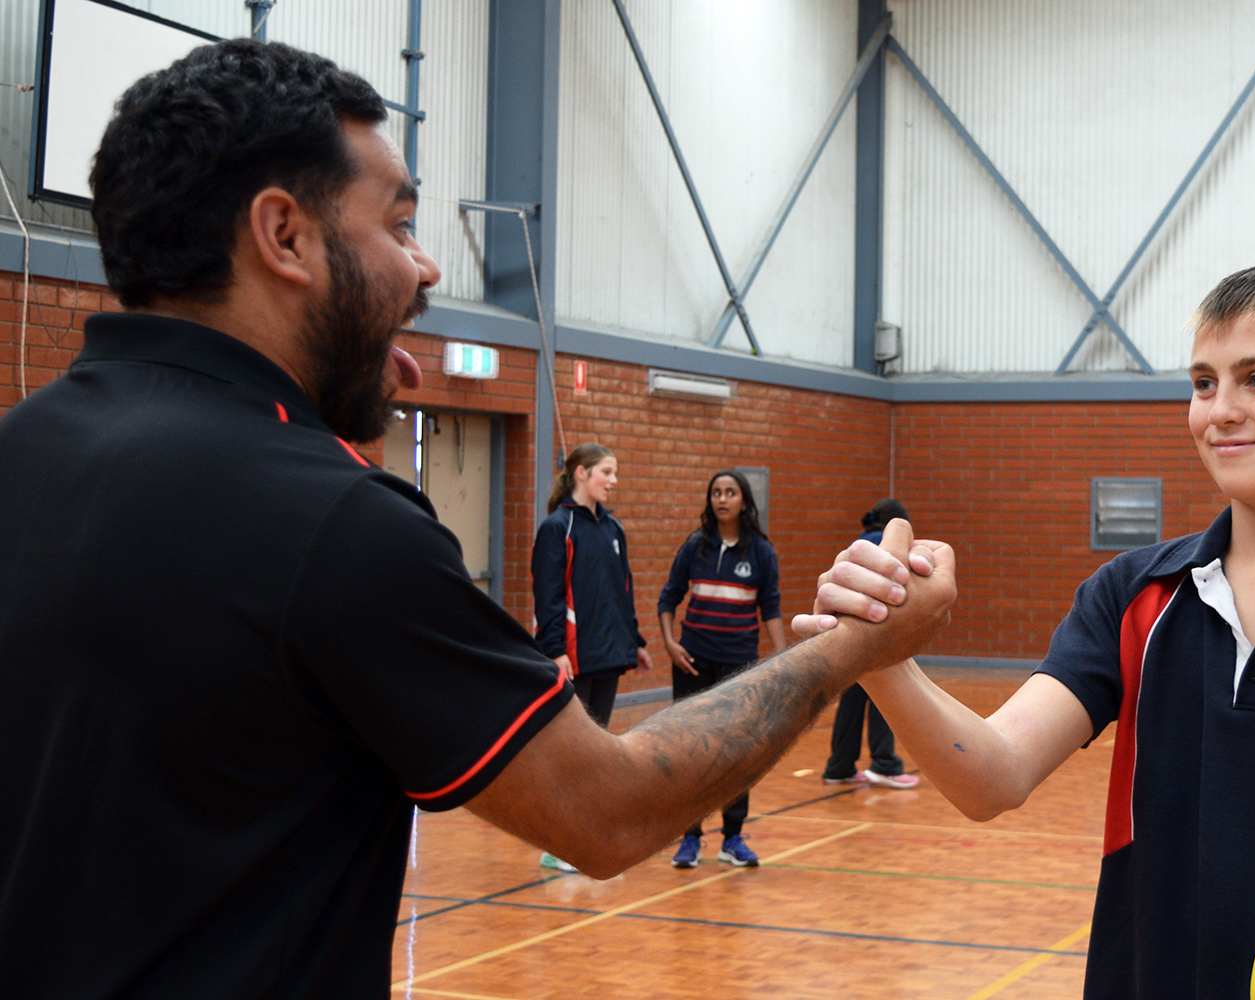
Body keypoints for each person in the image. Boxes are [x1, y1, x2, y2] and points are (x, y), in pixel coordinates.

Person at [0, 40, 958, 999]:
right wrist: (847, 651)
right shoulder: (335, 523)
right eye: (402, 224)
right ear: (284, 236)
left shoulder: (23, 450)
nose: (423, 267)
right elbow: (608, 812)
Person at [796, 249, 1255, 1000]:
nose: (1219, 409)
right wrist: (880, 657)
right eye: (1203, 383)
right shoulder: (1131, 597)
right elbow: (991, 778)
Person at [531, 441, 653, 871]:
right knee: (572, 753)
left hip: (609, 652)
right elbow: (547, 595)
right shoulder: (557, 527)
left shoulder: (613, 529)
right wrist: (554, 652)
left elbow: (623, 589)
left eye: (615, 473)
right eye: (606, 472)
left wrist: (634, 641)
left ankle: (587, 841)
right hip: (574, 656)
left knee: (598, 749)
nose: (613, 481)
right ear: (581, 473)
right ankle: (559, 844)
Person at [658, 470, 787, 868]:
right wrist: (669, 643)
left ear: (744, 501)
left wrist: (782, 659)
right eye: (716, 492)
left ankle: (732, 838)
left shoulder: (761, 552)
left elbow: (771, 609)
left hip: (739, 667)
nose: (722, 499)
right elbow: (668, 598)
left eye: (730, 492)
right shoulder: (695, 547)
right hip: (694, 661)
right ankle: (689, 838)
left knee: (737, 754)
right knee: (691, 751)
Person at [822, 499, 920, 790]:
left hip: (849, 634)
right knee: (885, 698)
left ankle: (839, 766)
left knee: (851, 702)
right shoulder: (886, 545)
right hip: (875, 633)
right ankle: (884, 764)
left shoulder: (860, 541)